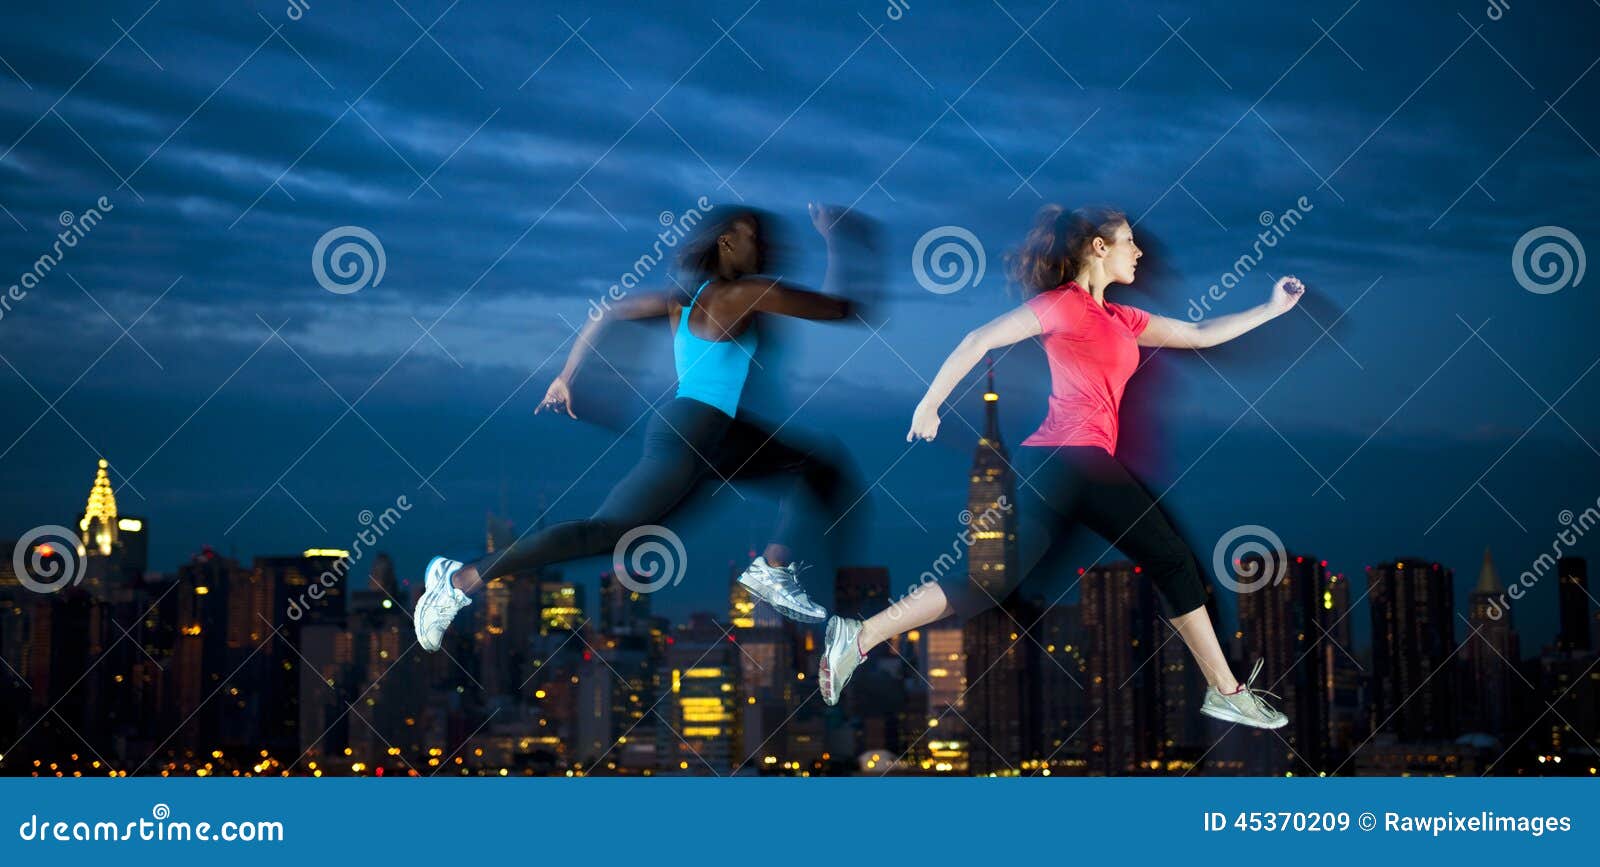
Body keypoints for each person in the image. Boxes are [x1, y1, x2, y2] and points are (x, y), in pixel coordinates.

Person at [818, 204, 1305, 730]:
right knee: (1173, 560)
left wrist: (1271, 309)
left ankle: (860, 635)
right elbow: (978, 339)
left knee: (994, 586)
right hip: (1073, 458)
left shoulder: (1123, 319)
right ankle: (1226, 690)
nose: (1139, 251)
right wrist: (929, 405)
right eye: (1129, 241)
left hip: (1062, 467)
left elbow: (1201, 331)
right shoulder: (1063, 305)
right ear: (1099, 247)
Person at [414, 204, 866, 652]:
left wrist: (566, 376)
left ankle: (774, 569)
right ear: (726, 242)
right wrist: (835, 238)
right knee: (607, 533)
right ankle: (459, 579)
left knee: (819, 469)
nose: (763, 244)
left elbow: (607, 311)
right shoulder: (746, 292)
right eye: (753, 235)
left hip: (709, 433)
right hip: (699, 433)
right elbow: (839, 308)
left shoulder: (683, 300)